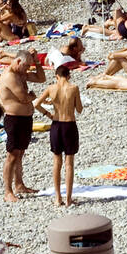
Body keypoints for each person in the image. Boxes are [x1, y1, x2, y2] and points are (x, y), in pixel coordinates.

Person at [34, 65, 83, 207]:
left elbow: (36, 104)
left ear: (56, 76)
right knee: (69, 163)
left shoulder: (51, 88)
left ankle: (57, 197)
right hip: (69, 124)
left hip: (56, 125)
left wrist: (48, 114)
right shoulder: (74, 88)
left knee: (56, 162)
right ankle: (68, 199)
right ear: (68, 76)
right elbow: (79, 109)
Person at [0, 54, 41, 201]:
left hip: (25, 118)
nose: (27, 69)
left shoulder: (20, 73)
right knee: (12, 155)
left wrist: (37, 62)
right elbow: (23, 98)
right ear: (18, 61)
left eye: (29, 66)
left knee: (20, 153)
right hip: (14, 119)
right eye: (26, 65)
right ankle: (8, 192)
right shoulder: (10, 76)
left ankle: (19, 184)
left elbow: (41, 78)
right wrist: (32, 97)